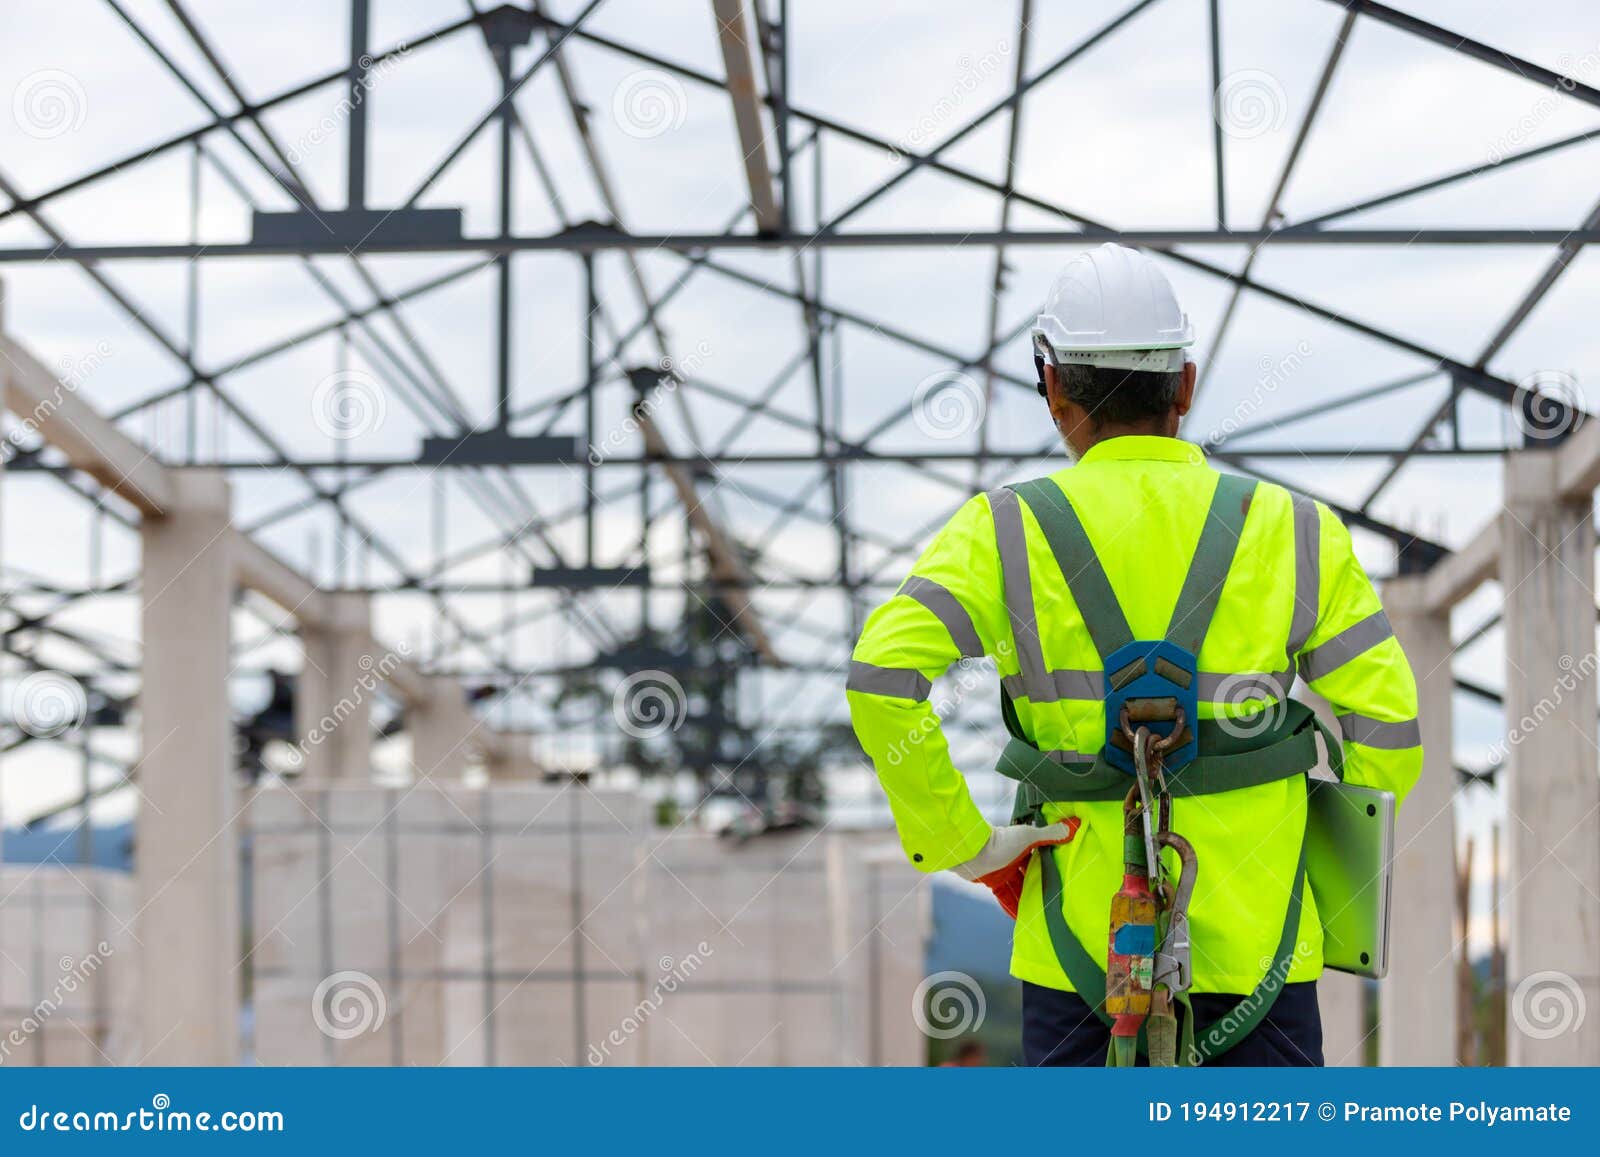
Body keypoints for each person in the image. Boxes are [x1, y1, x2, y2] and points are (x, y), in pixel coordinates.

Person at [846, 244, 1422, 1066]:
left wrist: (962, 843)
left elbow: (879, 680)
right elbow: (1390, 731)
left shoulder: (1004, 531)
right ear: (1185, 383)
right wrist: (1312, 877)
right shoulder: (1297, 532)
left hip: (1080, 967)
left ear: (1053, 390)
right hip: (1263, 962)